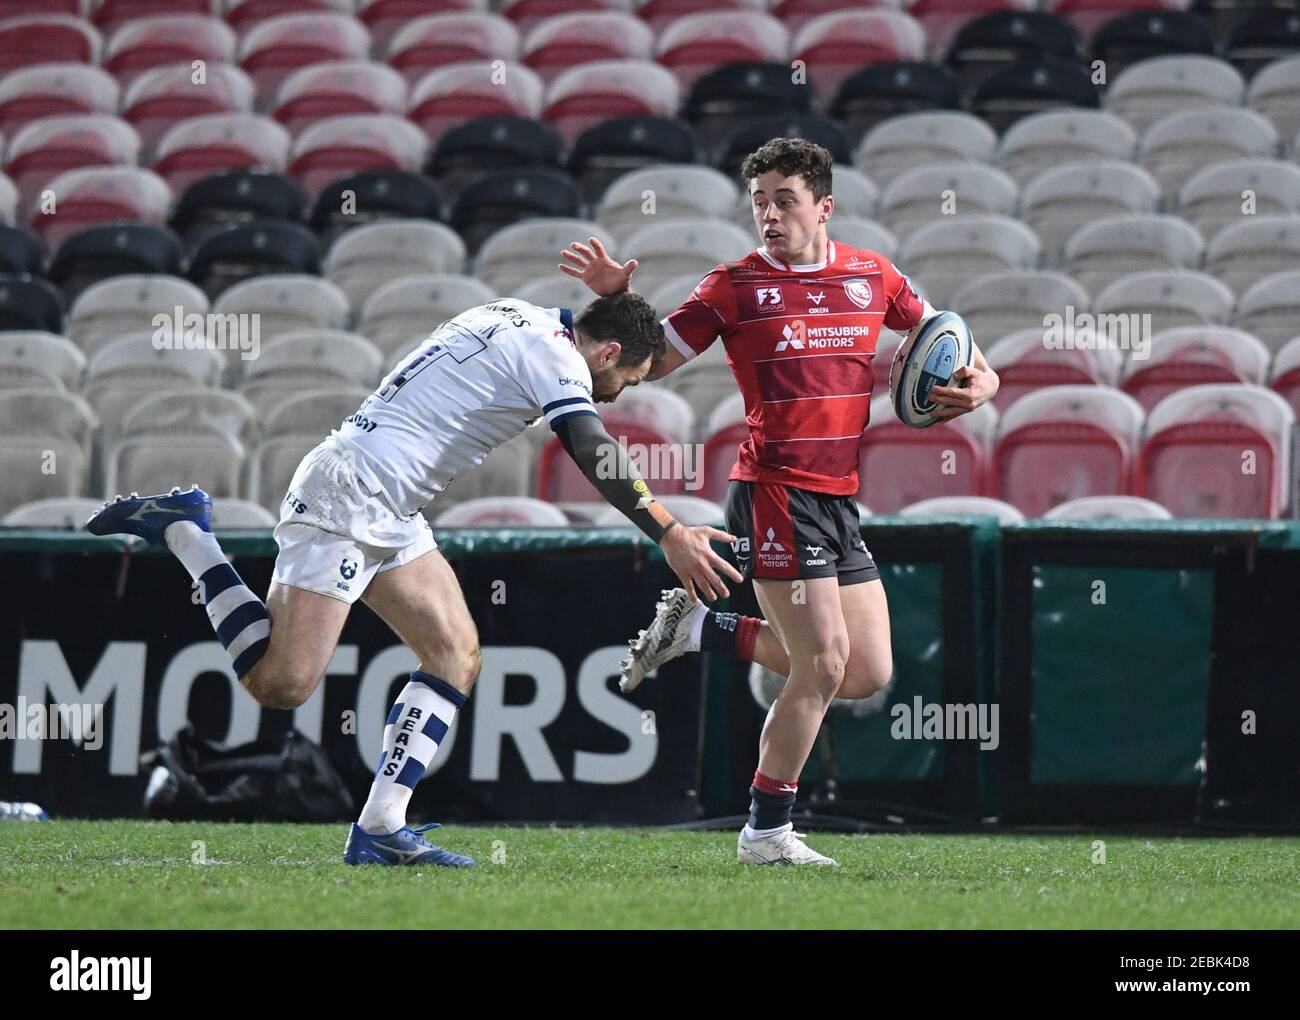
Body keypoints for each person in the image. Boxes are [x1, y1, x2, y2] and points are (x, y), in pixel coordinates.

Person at [87, 293, 742, 867]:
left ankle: (380, 827)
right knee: (280, 683)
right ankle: (188, 534)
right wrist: (669, 531)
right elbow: (593, 449)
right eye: (629, 378)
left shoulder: (516, 314)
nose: (623, 393)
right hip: (352, 491)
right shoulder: (562, 361)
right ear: (609, 353)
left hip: (389, 500)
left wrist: (617, 297)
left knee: (455, 653)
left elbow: (588, 338)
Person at [560, 138, 1000, 866]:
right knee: (823, 664)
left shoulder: (873, 276)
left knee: (866, 674)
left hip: (838, 500)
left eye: (784, 199)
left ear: (824, 206)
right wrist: (613, 301)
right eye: (759, 200)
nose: (768, 214)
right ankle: (766, 833)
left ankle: (702, 629)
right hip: (771, 491)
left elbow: (960, 351)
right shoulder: (733, 286)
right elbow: (643, 364)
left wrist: (979, 388)